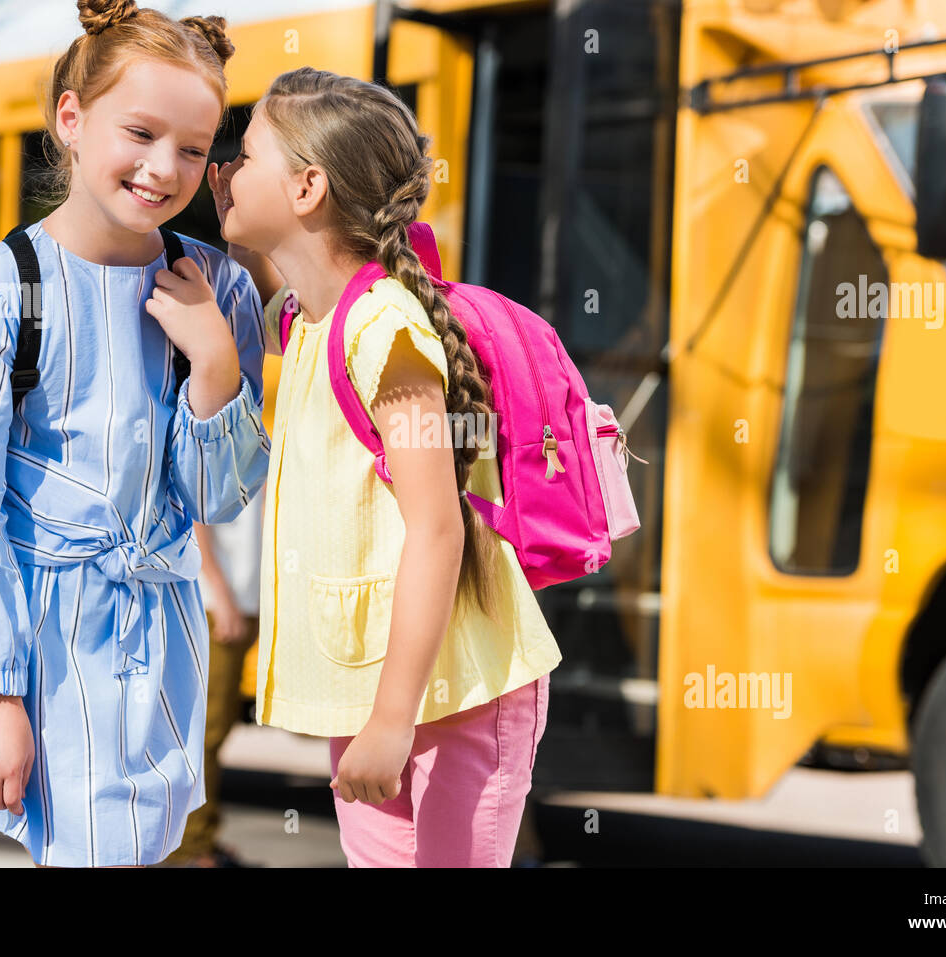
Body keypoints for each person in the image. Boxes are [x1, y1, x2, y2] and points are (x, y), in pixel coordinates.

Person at [0, 0, 268, 868]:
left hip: (166, 642)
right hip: (47, 646)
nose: (166, 169)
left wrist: (217, 368)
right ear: (70, 119)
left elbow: (220, 495)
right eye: (141, 133)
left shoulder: (220, 292)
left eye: (194, 149)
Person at [192, 67, 562, 866]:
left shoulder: (381, 324)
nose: (222, 173)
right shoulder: (306, 319)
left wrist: (394, 718)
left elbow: (436, 527)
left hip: (458, 694)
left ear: (307, 188)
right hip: (373, 698)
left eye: (244, 154)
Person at [161, 490, 264, 868]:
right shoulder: (218, 427)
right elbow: (196, 514)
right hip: (217, 607)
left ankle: (202, 839)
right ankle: (189, 849)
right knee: (205, 732)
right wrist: (222, 597)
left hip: (242, 604)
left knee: (214, 732)